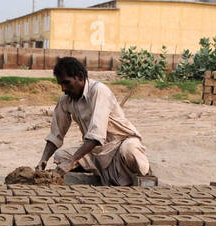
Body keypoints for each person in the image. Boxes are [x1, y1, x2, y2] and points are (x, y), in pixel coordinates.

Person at [37, 56, 152, 186]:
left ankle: (146, 175)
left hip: (120, 144)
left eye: (66, 82)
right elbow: (56, 135)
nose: (63, 89)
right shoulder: (66, 100)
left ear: (80, 77)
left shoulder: (98, 91)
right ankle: (98, 177)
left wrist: (73, 161)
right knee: (60, 156)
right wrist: (43, 160)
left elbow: (96, 135)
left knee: (129, 151)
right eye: (60, 84)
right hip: (97, 151)